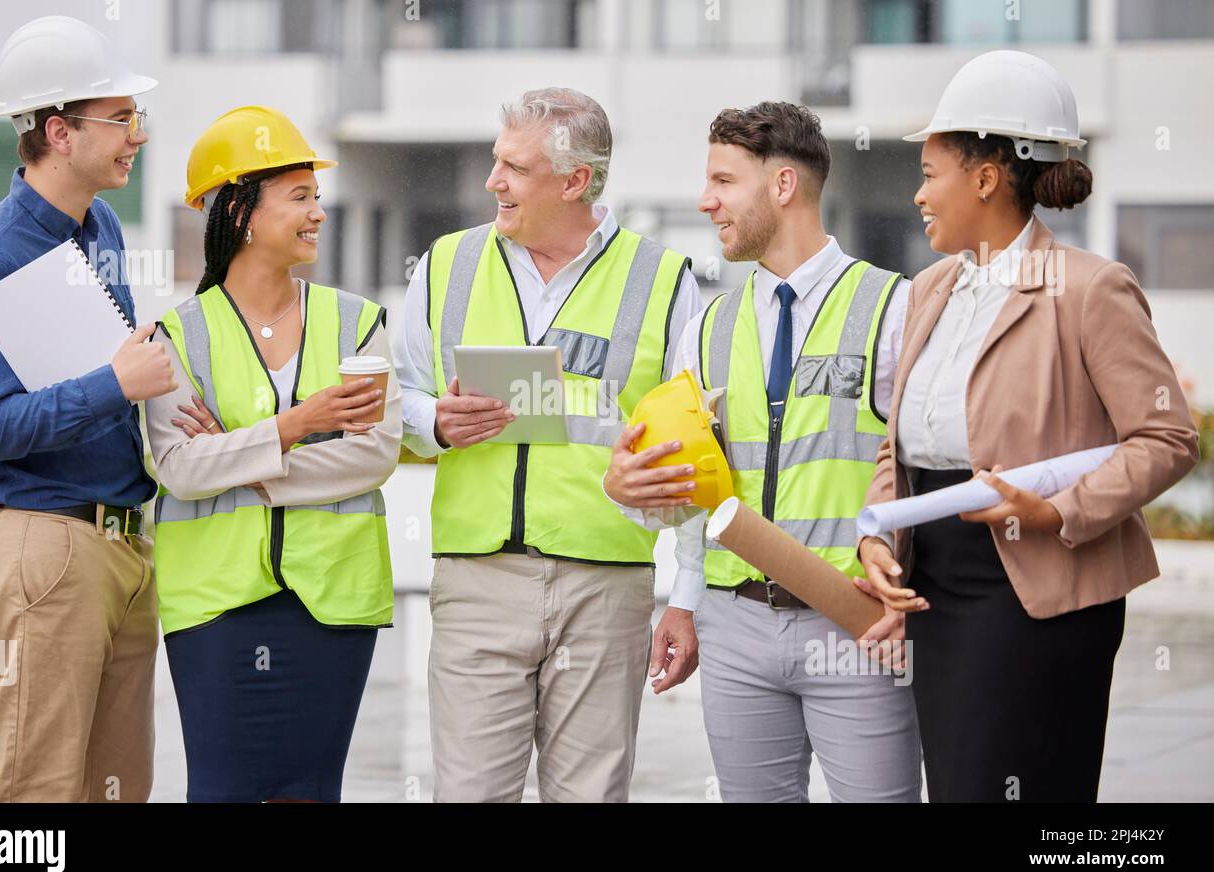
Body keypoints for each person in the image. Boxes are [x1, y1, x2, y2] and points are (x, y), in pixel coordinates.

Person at [856, 50, 1201, 802]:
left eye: (929, 171)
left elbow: (1169, 437)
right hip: (936, 588)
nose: (918, 194)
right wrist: (878, 534)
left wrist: (1055, 509)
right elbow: (900, 439)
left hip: (1037, 593)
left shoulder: (1089, 289)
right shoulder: (929, 289)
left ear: (984, 178)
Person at [604, 101, 922, 803]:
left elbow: (928, 467)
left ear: (782, 186)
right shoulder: (708, 329)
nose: (704, 200)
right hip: (734, 626)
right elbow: (689, 495)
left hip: (853, 624)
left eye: (723, 180)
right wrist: (639, 508)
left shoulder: (891, 309)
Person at [394, 87, 702, 802]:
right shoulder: (446, 264)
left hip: (607, 589)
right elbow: (397, 397)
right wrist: (434, 420)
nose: (492, 182)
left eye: (513, 168)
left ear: (574, 181)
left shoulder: (661, 280)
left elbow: (688, 456)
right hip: (476, 582)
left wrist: (686, 597)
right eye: (496, 162)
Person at [143, 106, 400, 803]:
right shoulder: (177, 336)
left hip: (333, 601)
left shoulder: (358, 322)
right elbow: (178, 467)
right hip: (218, 608)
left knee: (311, 790)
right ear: (241, 210)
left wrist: (245, 459)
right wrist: (296, 426)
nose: (318, 212)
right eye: (299, 196)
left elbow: (374, 452)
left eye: (317, 195)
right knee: (221, 790)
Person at [0, 15, 165, 802]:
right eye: (123, 118)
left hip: (119, 548)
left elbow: (106, 372)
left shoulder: (96, 226)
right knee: (35, 795)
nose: (138, 134)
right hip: (42, 547)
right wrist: (115, 384)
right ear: (61, 132)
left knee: (115, 791)